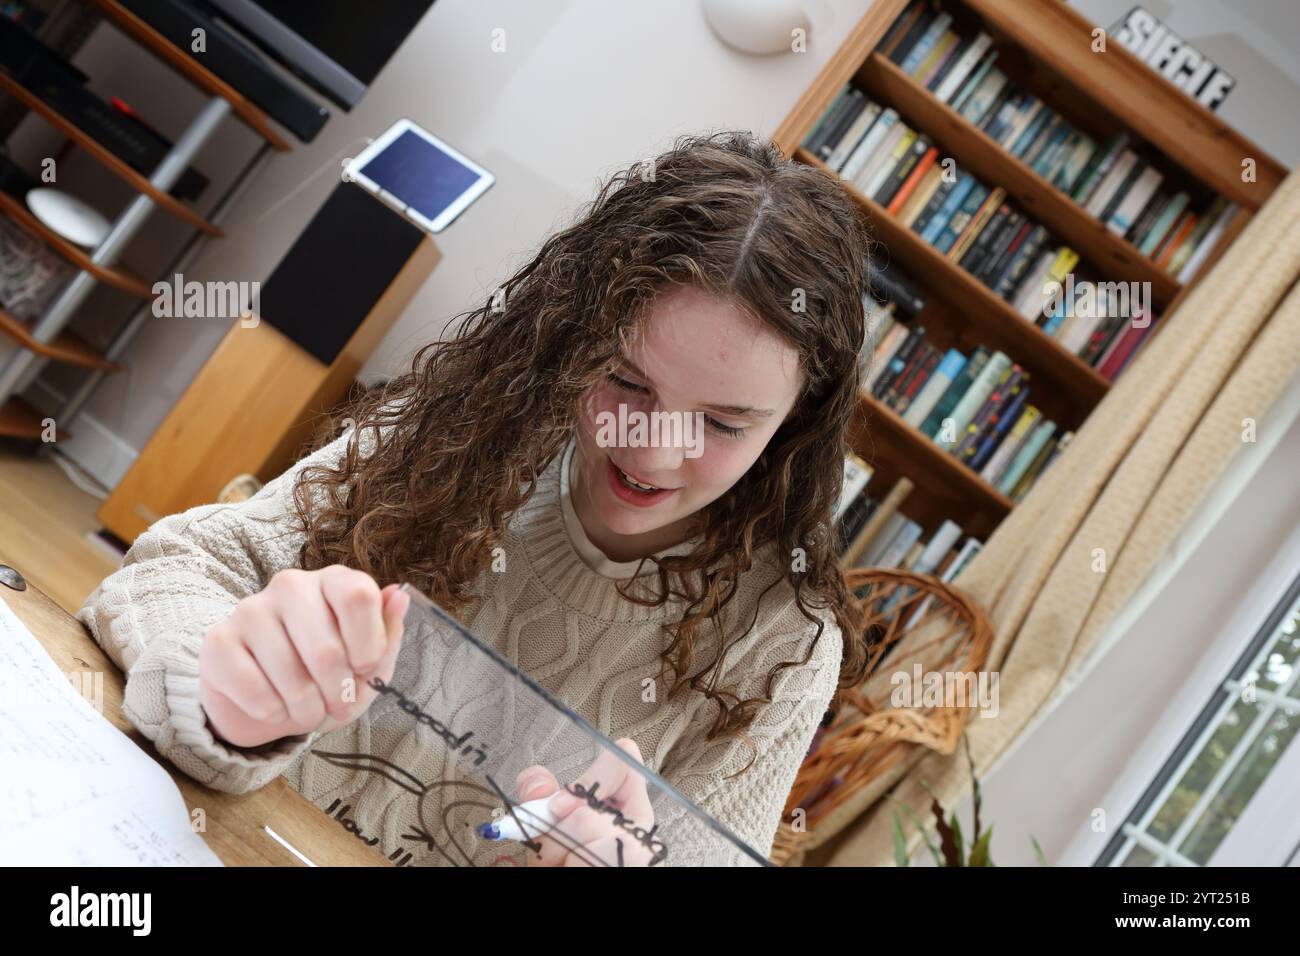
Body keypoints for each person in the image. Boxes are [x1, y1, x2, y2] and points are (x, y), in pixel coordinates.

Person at [79, 129, 874, 866]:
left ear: (795, 425)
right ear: (573, 334)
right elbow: (176, 568)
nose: (653, 448)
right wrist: (221, 693)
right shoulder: (469, 424)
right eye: (625, 381)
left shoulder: (785, 646)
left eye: (723, 423)